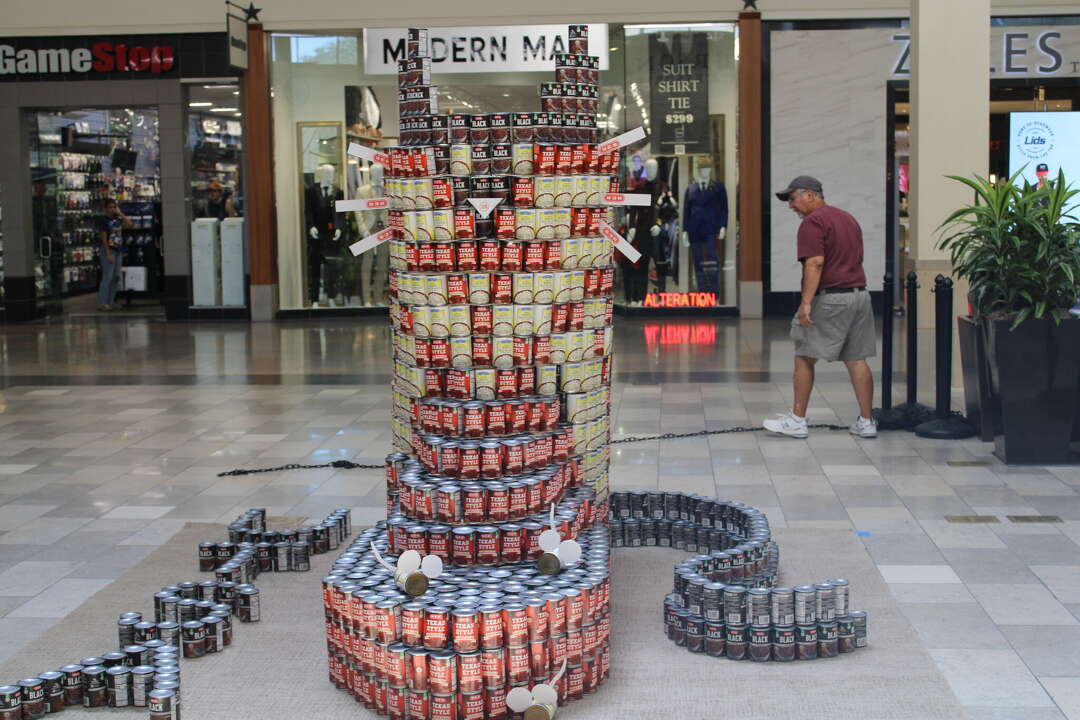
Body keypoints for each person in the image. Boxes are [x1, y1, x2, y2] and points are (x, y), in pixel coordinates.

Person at [763, 176, 878, 439]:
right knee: (856, 359)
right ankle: (866, 421)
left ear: (810, 195)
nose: (791, 205)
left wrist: (805, 303)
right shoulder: (847, 218)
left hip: (832, 297)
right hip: (859, 296)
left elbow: (814, 263)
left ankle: (797, 420)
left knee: (804, 354)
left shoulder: (813, 222)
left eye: (793, 199)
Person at [97, 198, 133, 311]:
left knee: (116, 277)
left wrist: (120, 213)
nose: (112, 210)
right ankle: (103, 302)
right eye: (110, 207)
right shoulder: (103, 220)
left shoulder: (118, 219)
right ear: (105, 209)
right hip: (109, 250)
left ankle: (111, 301)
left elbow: (130, 224)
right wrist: (108, 253)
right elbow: (103, 238)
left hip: (118, 249)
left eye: (114, 207)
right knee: (107, 276)